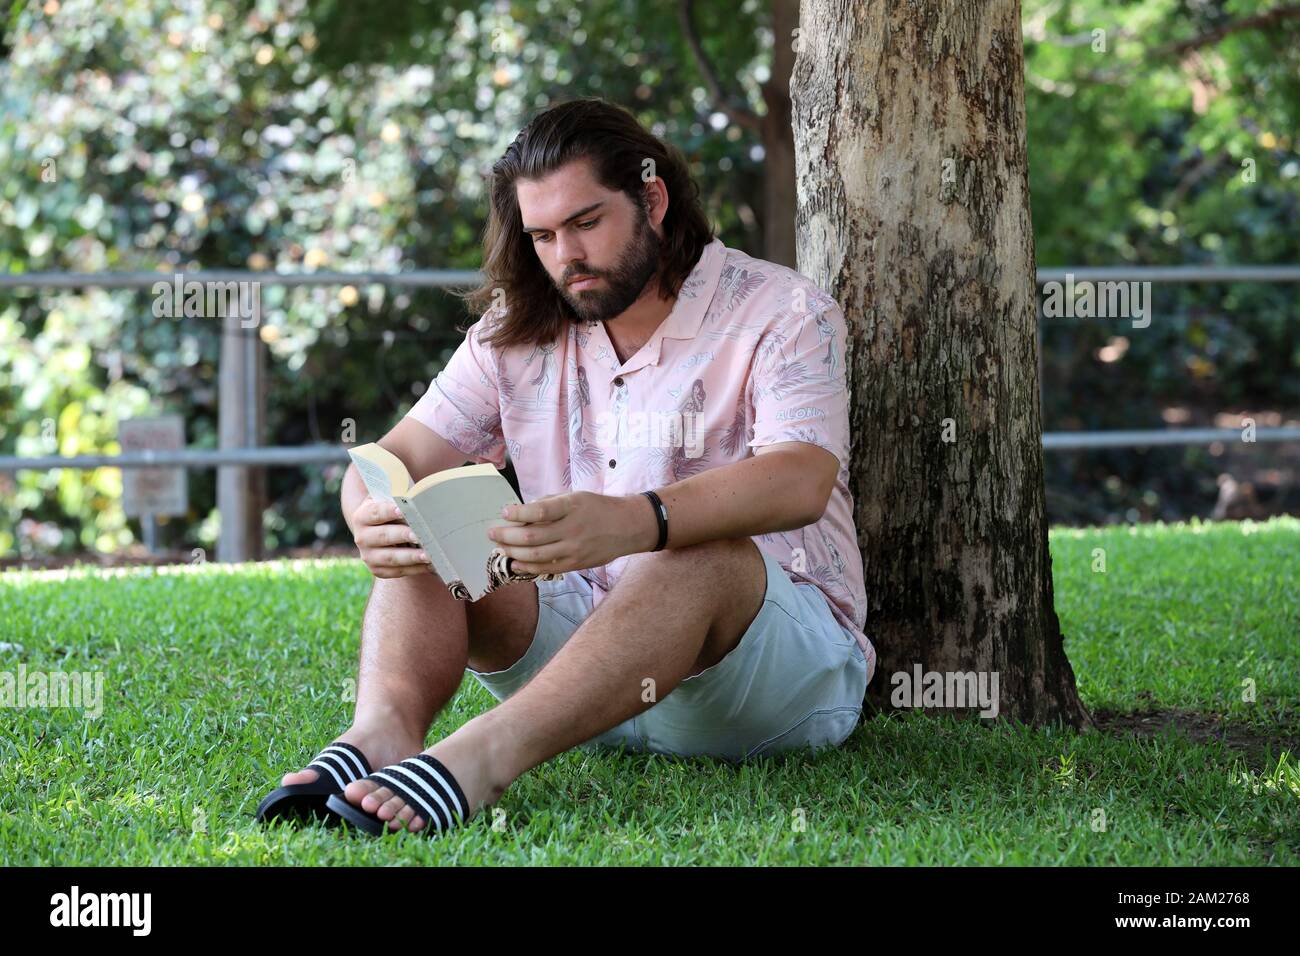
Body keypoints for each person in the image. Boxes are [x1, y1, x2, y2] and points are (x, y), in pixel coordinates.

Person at [256, 97, 875, 837]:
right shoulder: (517, 328)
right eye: (543, 235)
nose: (565, 257)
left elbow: (800, 476)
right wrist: (369, 511)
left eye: (586, 223)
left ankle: (475, 762)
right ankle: (380, 736)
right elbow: (390, 457)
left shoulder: (781, 311)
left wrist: (633, 522)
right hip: (587, 684)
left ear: (653, 198)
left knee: (694, 549)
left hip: (763, 678)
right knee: (420, 510)